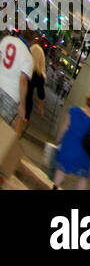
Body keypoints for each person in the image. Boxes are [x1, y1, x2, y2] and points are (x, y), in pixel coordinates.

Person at [0, 31, 32, 184]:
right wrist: (23, 106)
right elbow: (22, 81)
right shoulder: (27, 57)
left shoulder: (6, 40)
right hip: (10, 96)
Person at [52, 93, 90, 189]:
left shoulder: (73, 110)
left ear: (86, 103)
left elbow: (64, 127)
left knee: (61, 170)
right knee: (82, 178)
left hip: (67, 147)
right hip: (82, 154)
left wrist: (58, 139)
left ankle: (55, 187)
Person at [17, 32, 45, 135]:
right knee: (18, 127)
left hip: (16, 94)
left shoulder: (24, 62)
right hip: (27, 104)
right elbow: (41, 93)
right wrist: (41, 107)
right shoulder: (39, 75)